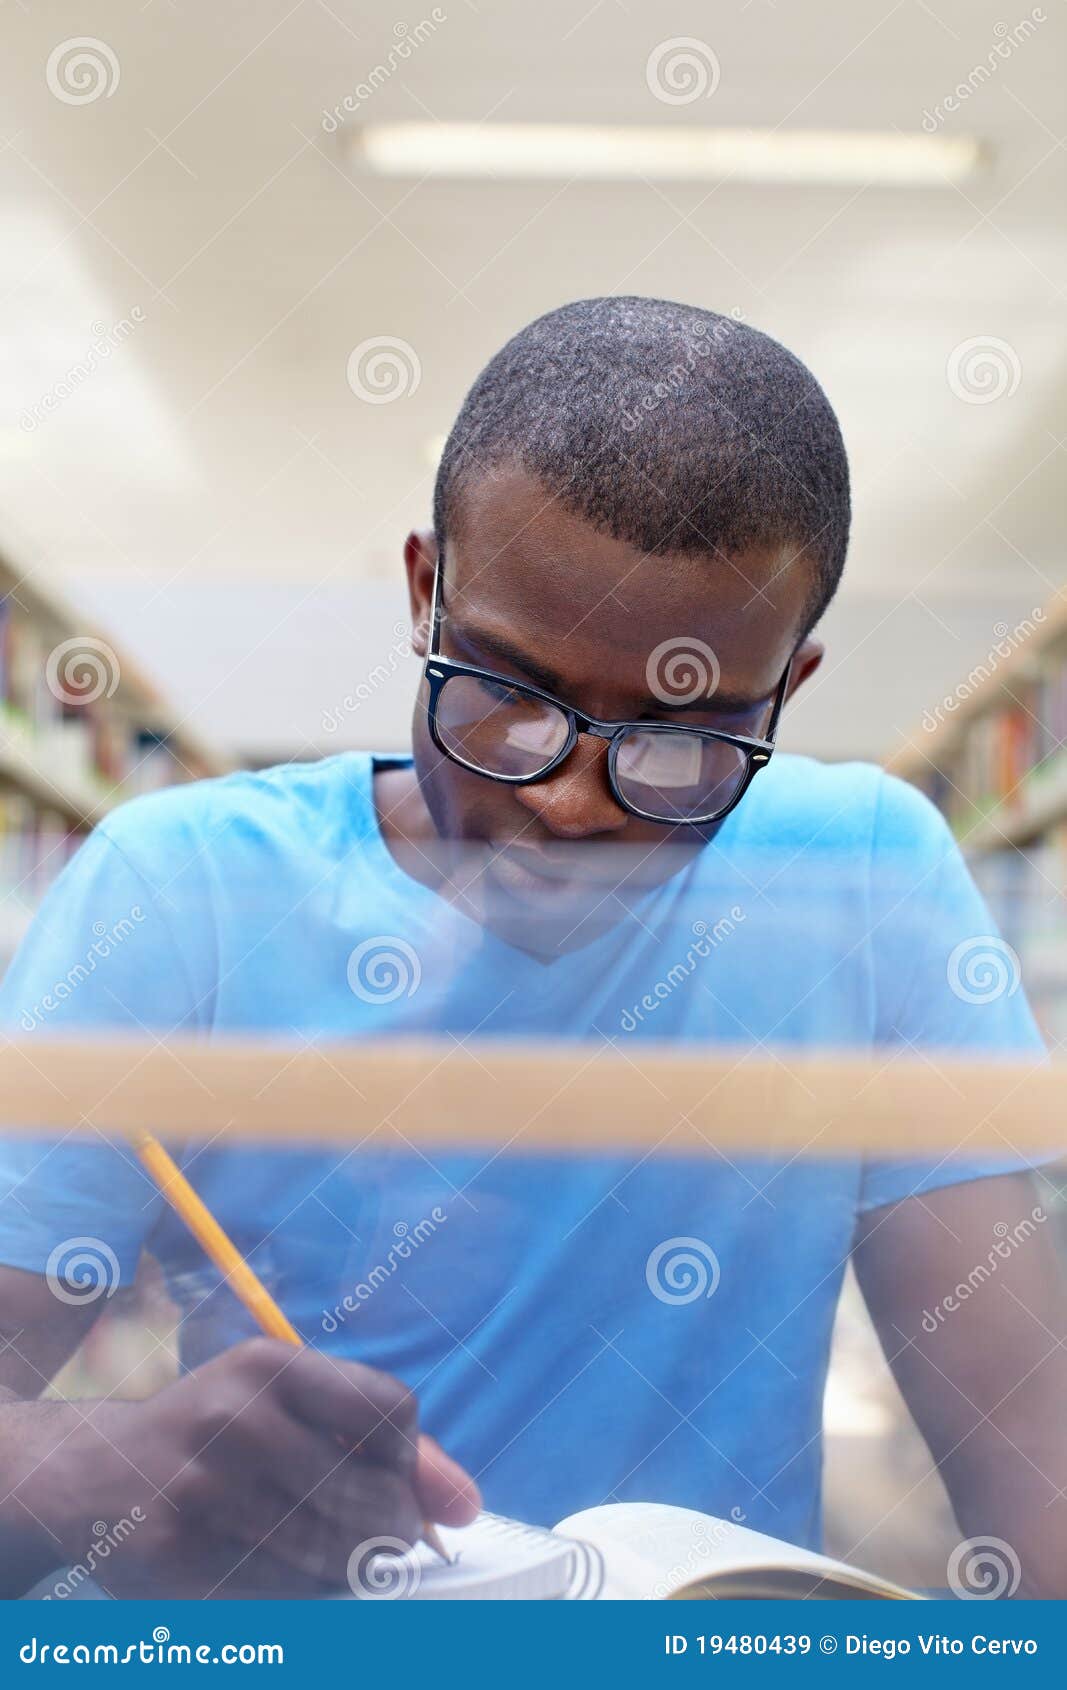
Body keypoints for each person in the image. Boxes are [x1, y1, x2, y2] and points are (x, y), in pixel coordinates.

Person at [0, 297, 1062, 1599]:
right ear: (423, 589)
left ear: (790, 687)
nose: (570, 802)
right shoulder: (184, 888)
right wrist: (82, 1464)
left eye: (680, 740)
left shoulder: (864, 874)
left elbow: (1036, 1465)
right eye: (505, 694)